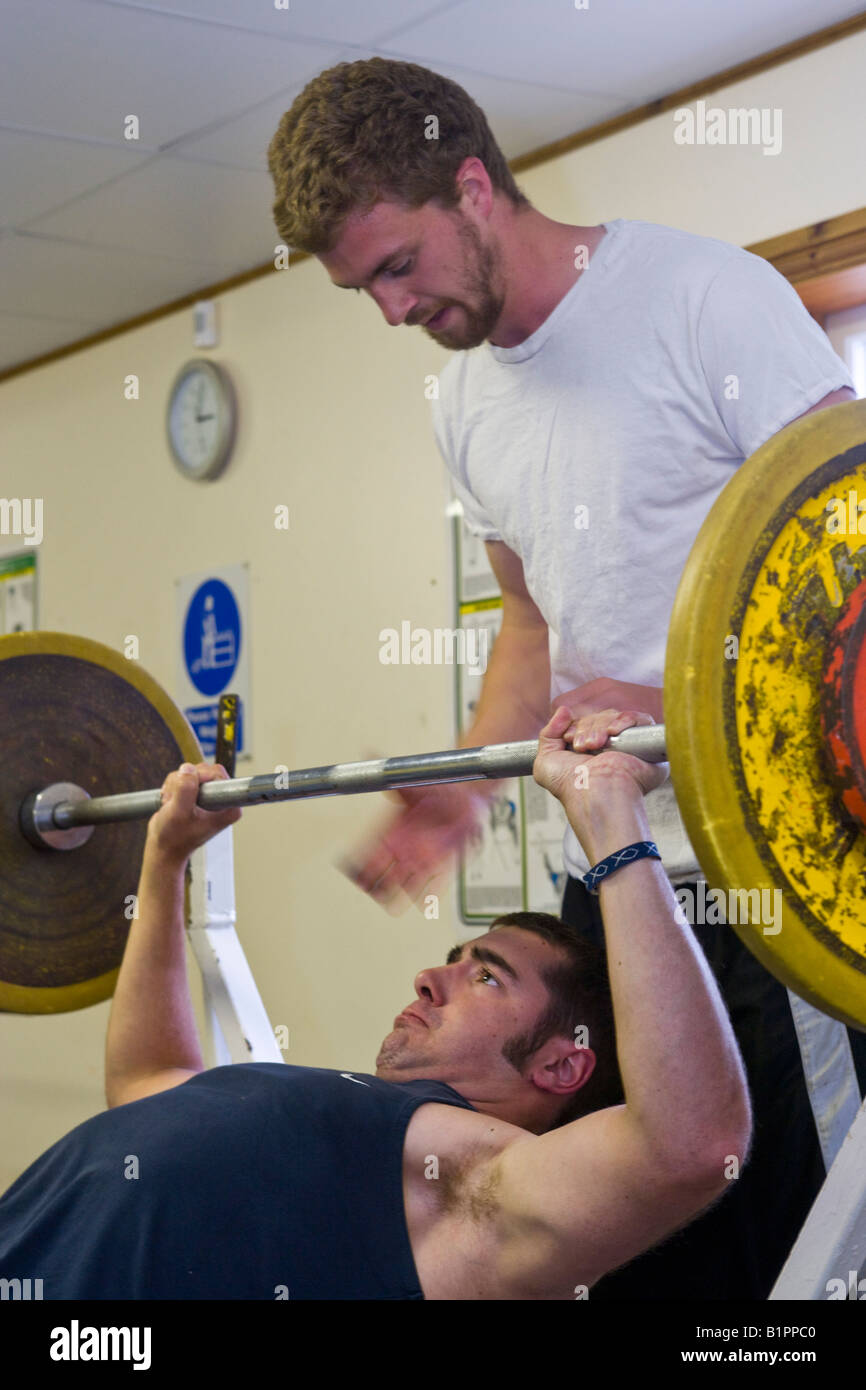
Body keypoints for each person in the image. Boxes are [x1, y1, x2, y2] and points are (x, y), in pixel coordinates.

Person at [266, 56, 864, 1298]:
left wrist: (688, 705)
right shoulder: (465, 405)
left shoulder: (704, 298)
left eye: (395, 266)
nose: (388, 310)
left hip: (775, 867)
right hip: (621, 879)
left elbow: (844, 559)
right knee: (639, 1229)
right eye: (359, 287)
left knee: (801, 1244)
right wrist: (463, 791)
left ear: (472, 184)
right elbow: (533, 625)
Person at [0, 710, 751, 1300]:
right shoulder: (331, 1110)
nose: (430, 977)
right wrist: (164, 860)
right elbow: (145, 1081)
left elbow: (690, 1147)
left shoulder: (477, 1190)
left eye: (485, 977)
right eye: (455, 959)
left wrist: (611, 818)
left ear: (562, 1063)